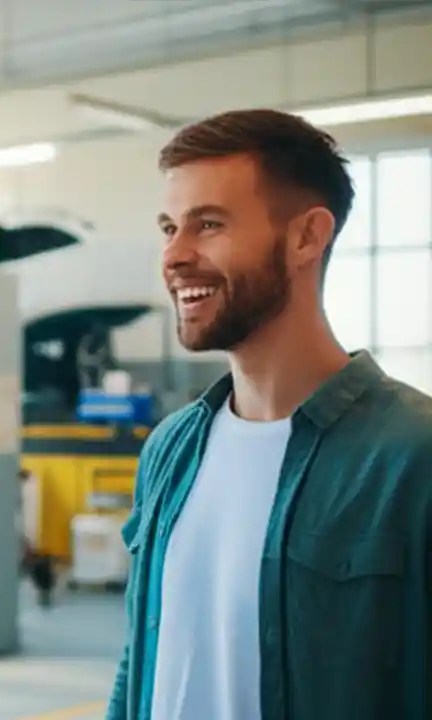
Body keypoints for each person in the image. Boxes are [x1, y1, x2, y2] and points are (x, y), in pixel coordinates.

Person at [106, 109, 432, 720]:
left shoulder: (411, 458)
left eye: (208, 224)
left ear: (306, 237)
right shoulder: (171, 449)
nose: (174, 256)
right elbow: (141, 655)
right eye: (168, 227)